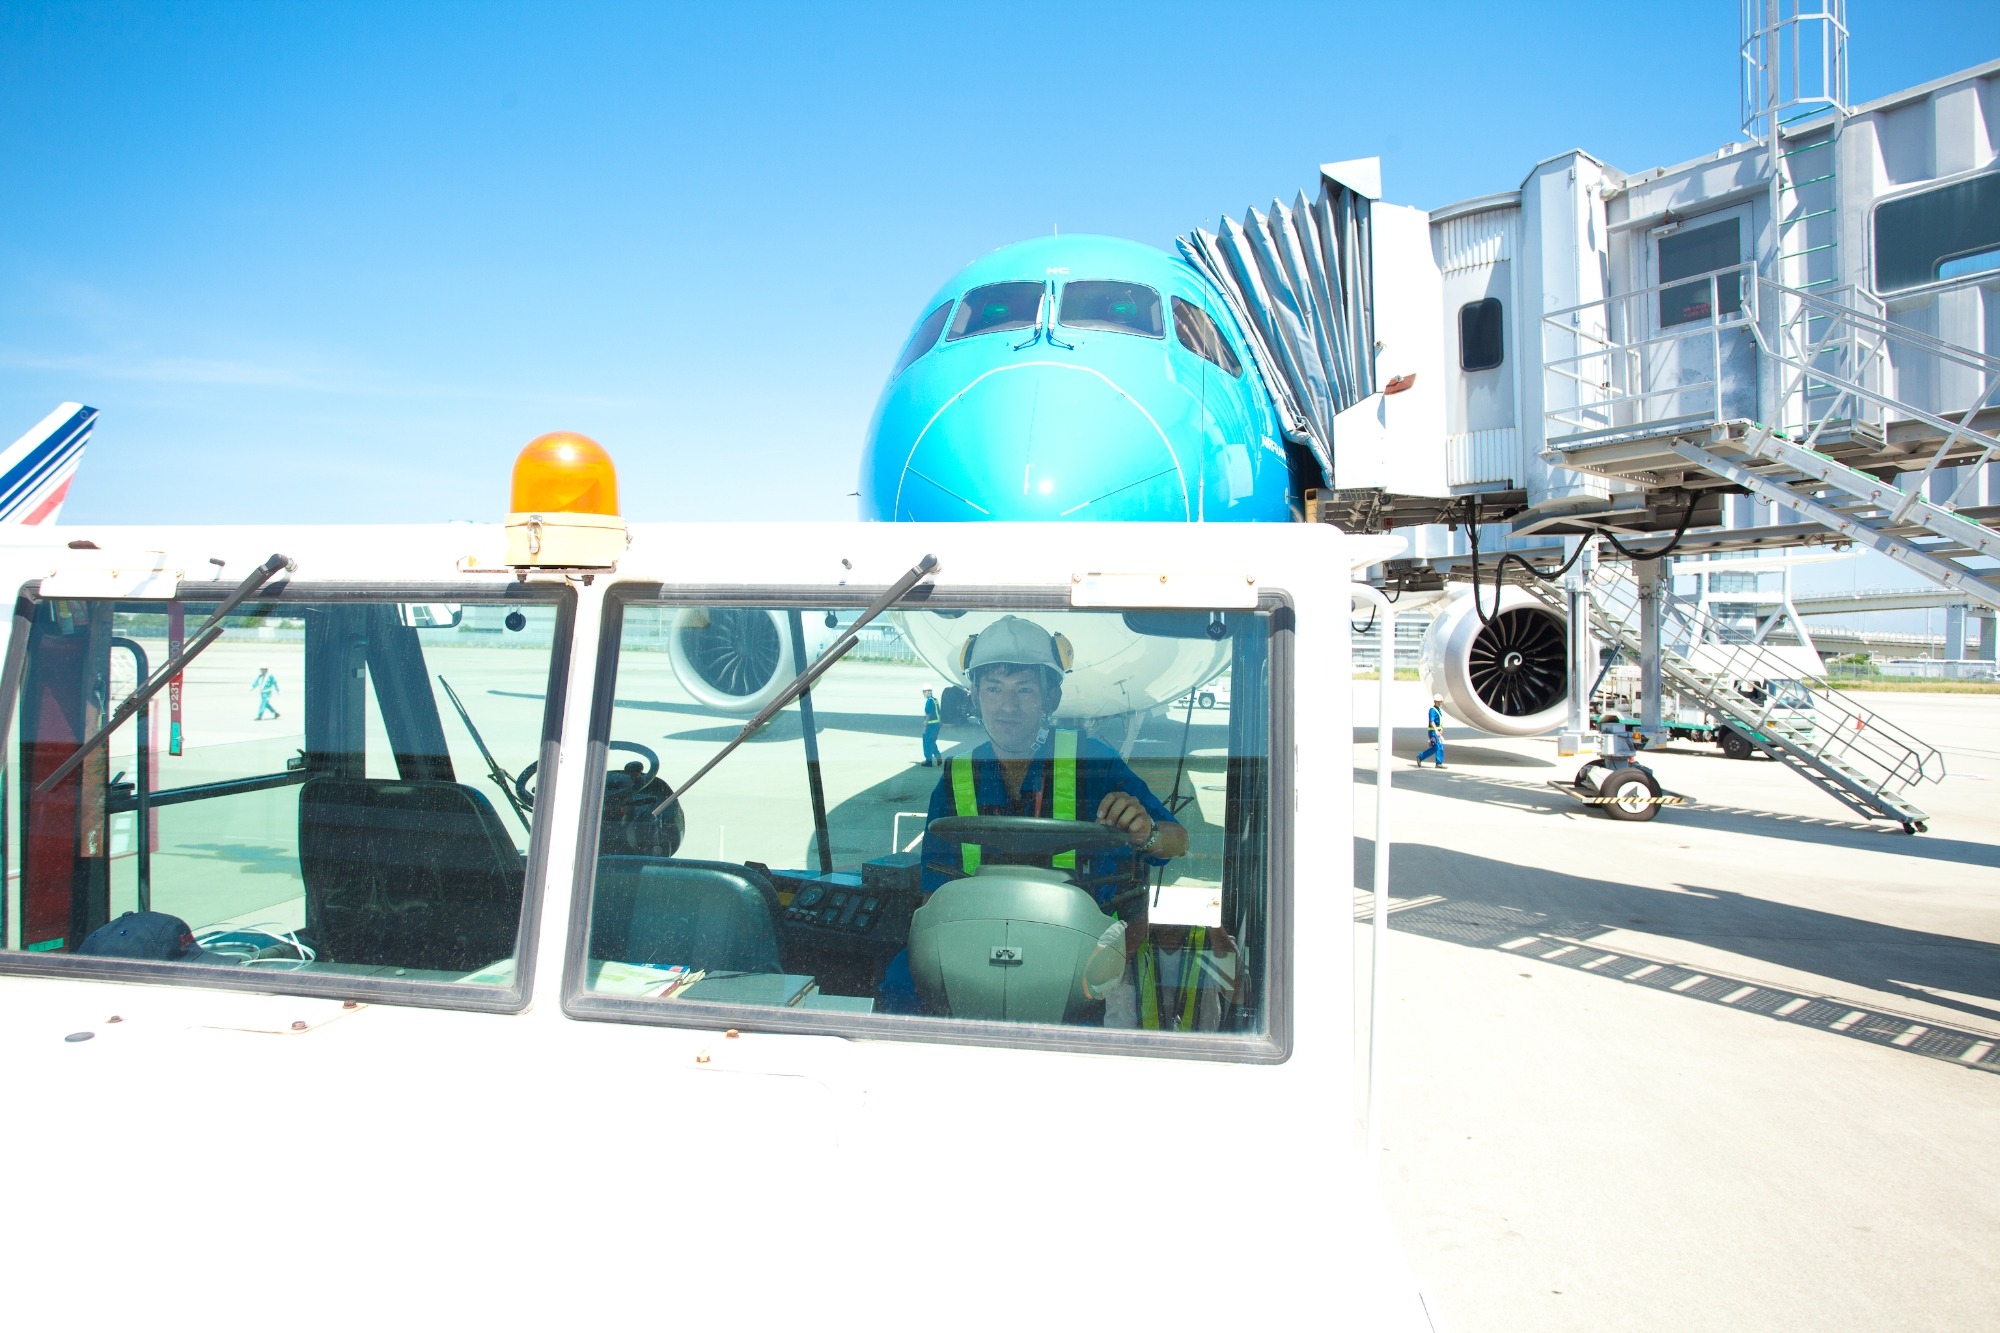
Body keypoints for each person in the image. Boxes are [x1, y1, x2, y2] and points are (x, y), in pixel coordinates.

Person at [879, 616, 1188, 1013]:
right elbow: (933, 895)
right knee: (900, 990)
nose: (1007, 705)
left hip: (1080, 945)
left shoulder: (1093, 761)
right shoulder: (956, 778)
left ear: (1051, 698)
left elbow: (1177, 840)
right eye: (994, 689)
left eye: (1024, 689)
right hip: (976, 941)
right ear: (974, 697)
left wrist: (1144, 833)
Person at [1416, 692, 1445, 768]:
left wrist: (1441, 729)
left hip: (1437, 731)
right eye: (1438, 701)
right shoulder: (1432, 710)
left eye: (1440, 701)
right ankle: (1421, 757)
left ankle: (1438, 762)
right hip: (1433, 732)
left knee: (1439, 747)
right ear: (1435, 701)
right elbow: (1431, 721)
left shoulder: (1438, 710)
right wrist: (1436, 730)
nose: (1440, 703)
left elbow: (1440, 721)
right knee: (1436, 747)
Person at [919, 686, 942, 767]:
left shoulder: (929, 701)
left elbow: (928, 714)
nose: (923, 694)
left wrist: (925, 726)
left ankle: (929, 761)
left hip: (931, 725)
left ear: (926, 692)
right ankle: (938, 756)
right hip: (937, 725)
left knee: (927, 742)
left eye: (923, 692)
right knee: (932, 742)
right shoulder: (935, 700)